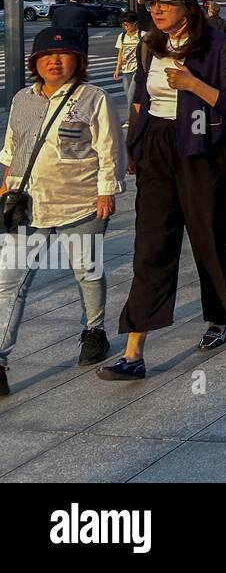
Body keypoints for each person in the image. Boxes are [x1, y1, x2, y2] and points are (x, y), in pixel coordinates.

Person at [99, 0, 226, 380]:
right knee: (151, 245)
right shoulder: (150, 45)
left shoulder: (216, 44)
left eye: (166, 3)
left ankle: (217, 318)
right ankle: (134, 350)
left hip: (203, 152)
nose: (157, 10)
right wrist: (134, 145)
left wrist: (193, 83)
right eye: (153, 4)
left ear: (189, 6)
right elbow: (141, 99)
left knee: (208, 240)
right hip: (157, 148)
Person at [0, 28, 125, 395]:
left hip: (80, 202)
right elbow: (11, 144)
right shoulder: (23, 98)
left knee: (86, 270)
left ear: (78, 61)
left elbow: (110, 148)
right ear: (34, 62)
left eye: (64, 54)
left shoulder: (93, 98)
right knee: (10, 282)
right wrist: (6, 181)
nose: (54, 61)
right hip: (27, 205)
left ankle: (94, 330)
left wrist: (107, 191)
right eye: (46, 56)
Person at [112, 11, 141, 127]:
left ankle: (130, 120)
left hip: (137, 70)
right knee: (128, 93)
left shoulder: (142, 35)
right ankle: (139, 116)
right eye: (123, 25)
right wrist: (117, 69)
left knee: (130, 95)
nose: (125, 27)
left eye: (127, 24)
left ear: (135, 23)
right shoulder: (122, 36)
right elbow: (120, 53)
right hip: (126, 69)